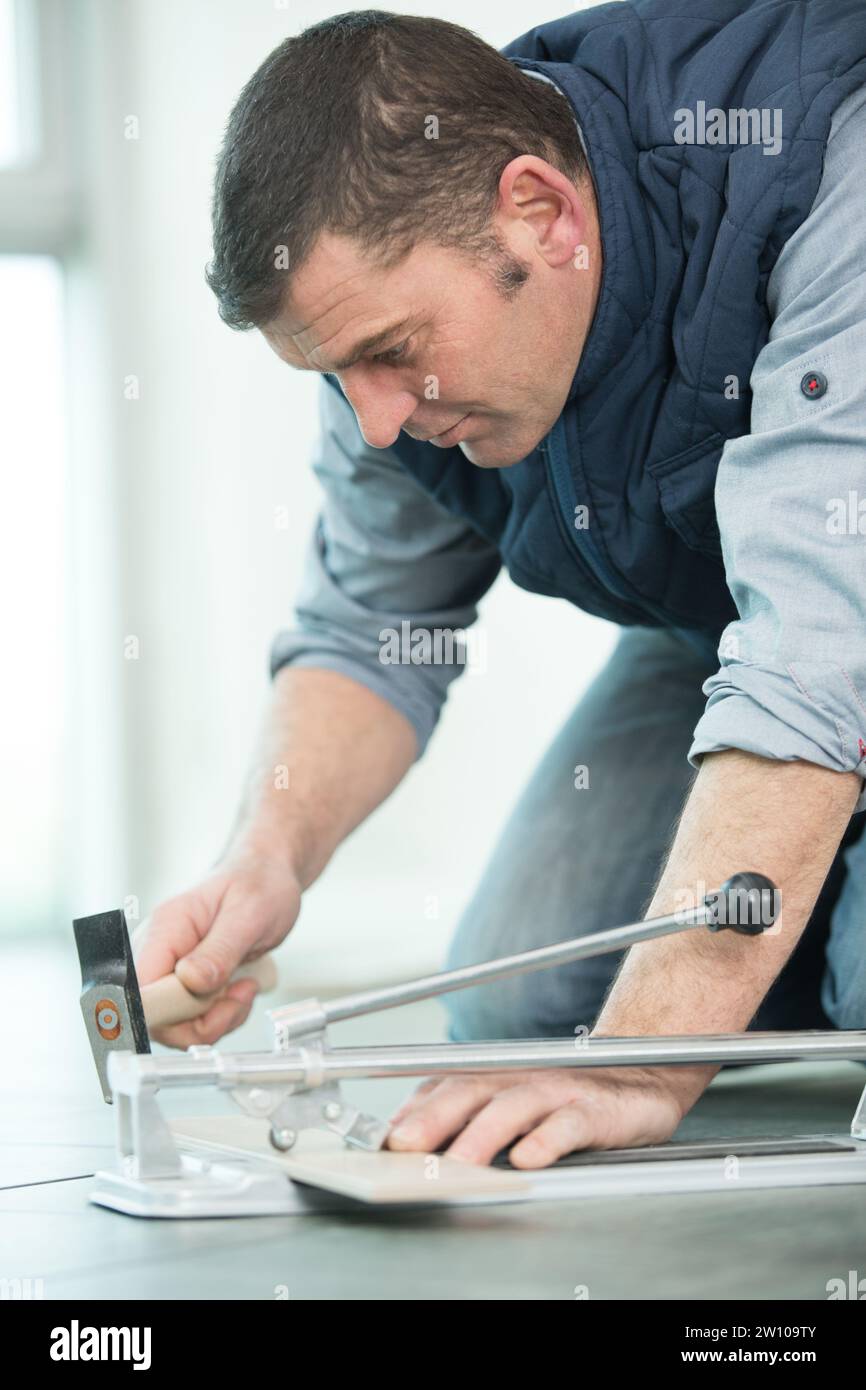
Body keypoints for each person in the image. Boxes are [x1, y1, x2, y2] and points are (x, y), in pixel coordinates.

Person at [136, 3, 866, 1168]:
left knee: (817, 997)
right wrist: (262, 860)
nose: (373, 425)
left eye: (387, 352)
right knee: (526, 1017)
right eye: (336, 377)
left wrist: (645, 1057)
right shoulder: (389, 337)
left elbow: (816, 658)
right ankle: (789, 874)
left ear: (540, 212)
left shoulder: (824, 174)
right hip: (721, 621)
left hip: (825, 620)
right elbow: (371, 627)